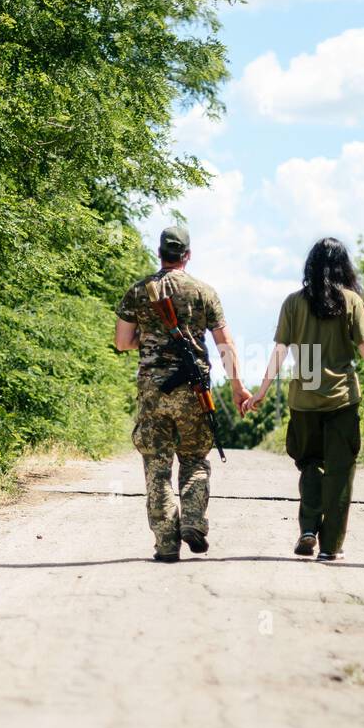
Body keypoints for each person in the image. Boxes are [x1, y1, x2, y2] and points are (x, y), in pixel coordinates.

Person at [243, 237, 364, 561]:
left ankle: (308, 528)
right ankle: (330, 546)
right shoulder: (351, 301)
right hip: (342, 400)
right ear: (343, 266)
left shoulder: (293, 303)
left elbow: (280, 351)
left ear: (311, 265)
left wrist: (261, 393)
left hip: (304, 398)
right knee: (339, 471)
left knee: (309, 465)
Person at [115, 225, 252, 562]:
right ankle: (192, 520)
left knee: (156, 466)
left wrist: (146, 342)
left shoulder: (138, 291)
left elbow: (121, 342)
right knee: (194, 459)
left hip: (153, 392)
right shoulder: (204, 292)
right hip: (194, 390)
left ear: (160, 253)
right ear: (187, 255)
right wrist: (237, 387)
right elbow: (225, 344)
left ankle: (166, 543)